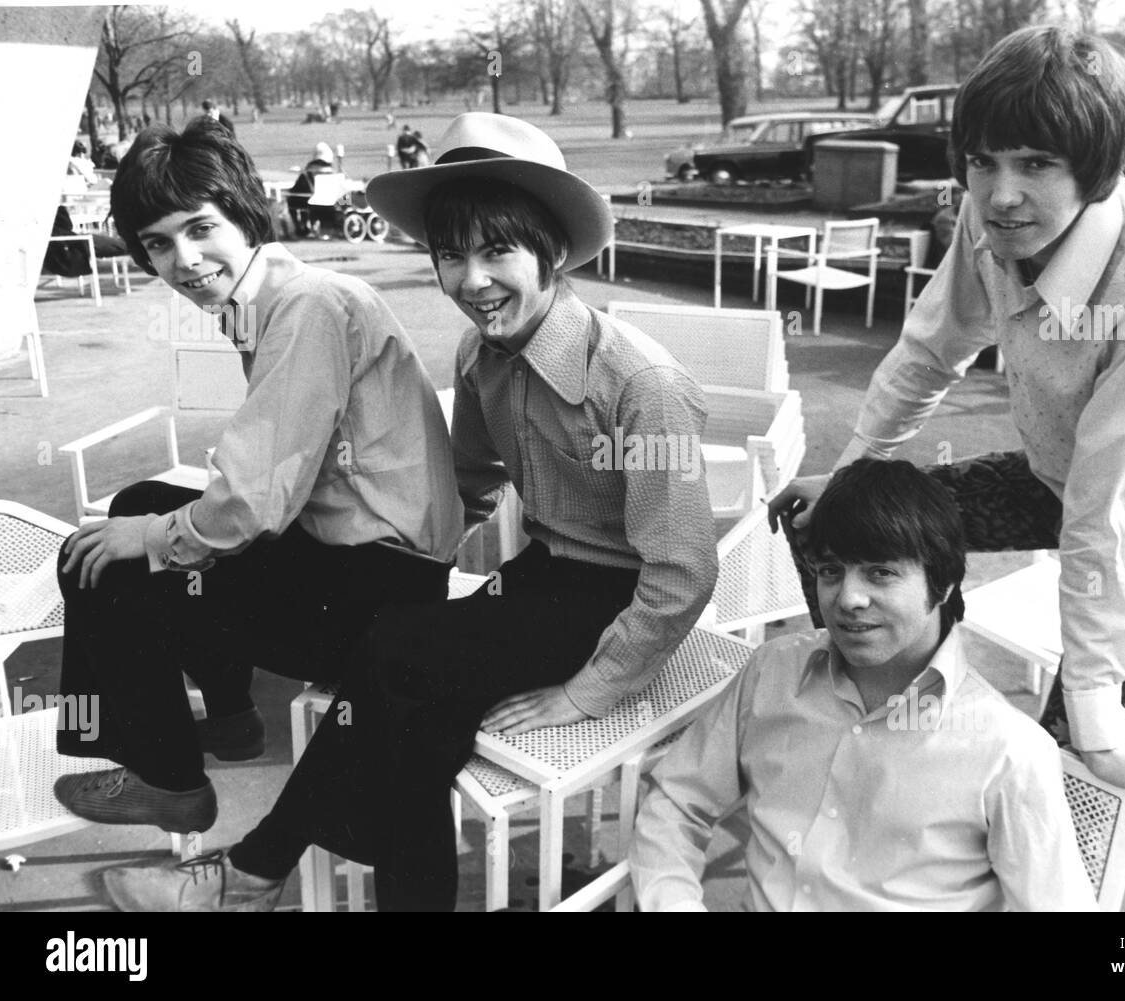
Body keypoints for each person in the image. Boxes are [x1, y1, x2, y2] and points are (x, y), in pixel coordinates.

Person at [100, 112, 718, 912]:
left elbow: (683, 572)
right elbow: (467, 477)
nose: (470, 280)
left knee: (396, 655)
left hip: (622, 603)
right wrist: (419, 561)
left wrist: (588, 690)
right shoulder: (480, 354)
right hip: (537, 582)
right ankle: (269, 877)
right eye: (450, 255)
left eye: (497, 252)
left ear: (554, 253)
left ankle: (251, 870)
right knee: (415, 709)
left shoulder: (643, 385)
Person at [769, 26, 1125, 814]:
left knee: (1069, 767)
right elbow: (930, 353)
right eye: (983, 161)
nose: (1002, 193)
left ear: (1097, 170)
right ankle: (910, 720)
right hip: (1055, 470)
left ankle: (1048, 775)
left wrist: (1098, 712)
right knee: (825, 524)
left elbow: (1106, 508)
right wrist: (857, 478)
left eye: (1036, 163)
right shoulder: (992, 217)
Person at [52, 117, 463, 853]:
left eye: (199, 228)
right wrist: (160, 528)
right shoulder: (267, 299)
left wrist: (153, 540)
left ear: (243, 211)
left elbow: (250, 505)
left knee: (108, 551)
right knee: (138, 508)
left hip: (378, 601)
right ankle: (232, 720)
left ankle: (168, 776)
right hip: (367, 567)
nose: (182, 260)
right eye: (157, 244)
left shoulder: (305, 306)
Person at [633, 459, 1097, 911]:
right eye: (831, 571)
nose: (848, 599)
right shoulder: (772, 671)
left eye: (881, 572)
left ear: (944, 584)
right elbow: (677, 800)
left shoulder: (1008, 751)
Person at [285, 141, 337, 238]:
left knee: (293, 200)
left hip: (312, 202)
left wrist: (289, 193)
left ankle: (300, 227)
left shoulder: (308, 173)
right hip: (331, 202)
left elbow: (296, 190)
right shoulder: (332, 172)